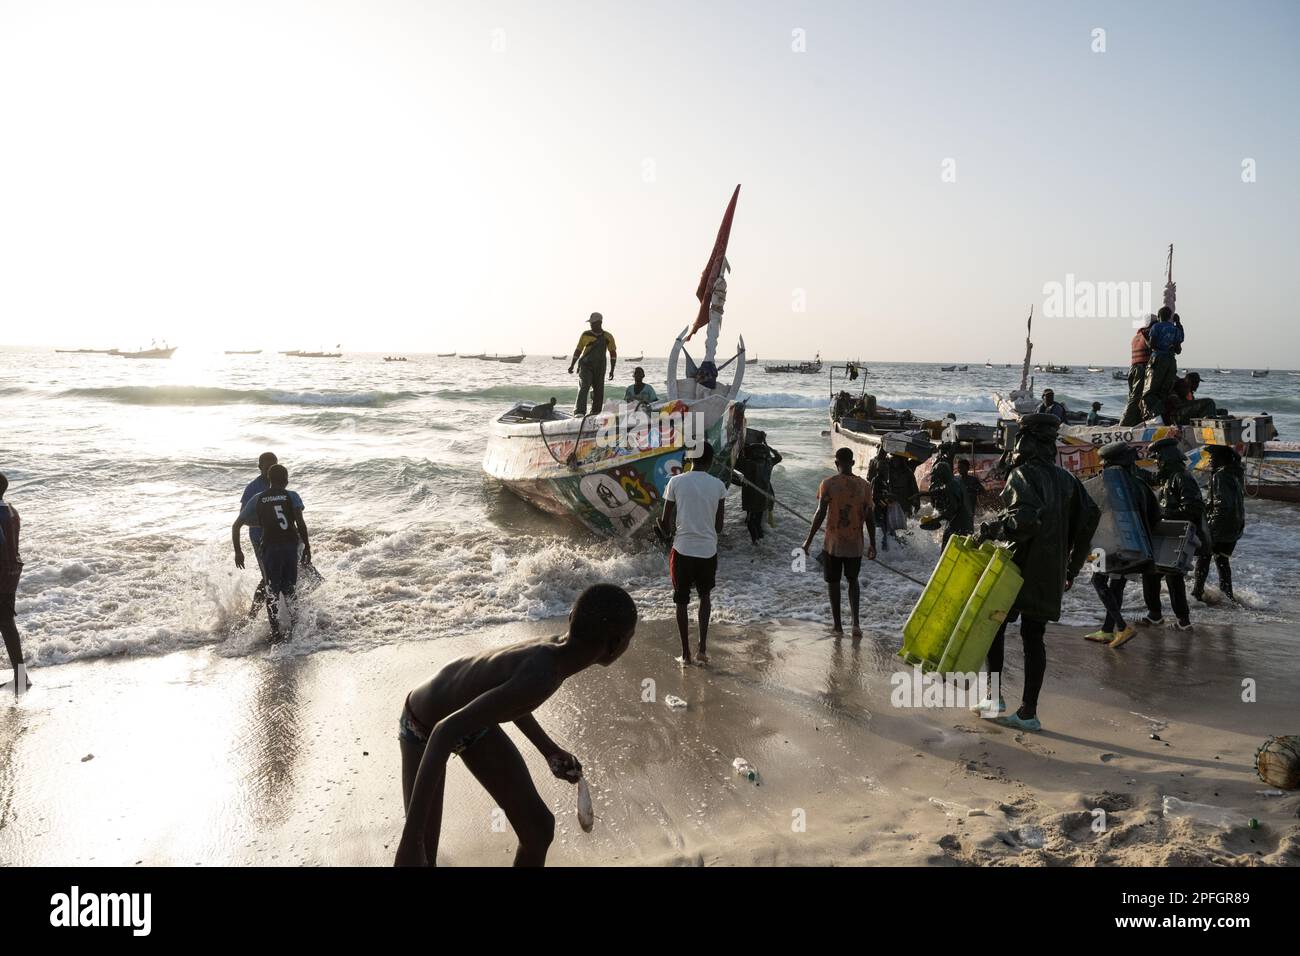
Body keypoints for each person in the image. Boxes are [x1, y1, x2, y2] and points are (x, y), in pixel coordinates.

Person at [395, 583, 636, 867]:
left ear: (572, 616)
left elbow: (508, 699)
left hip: (469, 721)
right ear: (615, 644)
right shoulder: (545, 672)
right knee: (420, 859)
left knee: (537, 828)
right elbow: (443, 732)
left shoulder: (557, 657)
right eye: (630, 638)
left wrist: (549, 750)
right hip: (424, 725)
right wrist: (412, 841)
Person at [975, 413, 1099, 732]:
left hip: (1017, 569)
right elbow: (1090, 517)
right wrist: (1071, 565)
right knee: (1034, 638)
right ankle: (1028, 712)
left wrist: (992, 528)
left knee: (995, 627)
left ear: (1027, 441)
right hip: (1050, 572)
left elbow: (1024, 521)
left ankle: (994, 697)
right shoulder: (1068, 480)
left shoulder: (1022, 474)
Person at [1083, 442, 1161, 648]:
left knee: (1098, 581)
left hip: (1104, 547)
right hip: (1135, 547)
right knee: (1117, 584)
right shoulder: (1141, 485)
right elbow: (1156, 517)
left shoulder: (1103, 485)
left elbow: (1090, 515)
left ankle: (1121, 627)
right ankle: (1107, 631)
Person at [659, 442, 726, 665]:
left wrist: (666, 534)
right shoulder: (718, 486)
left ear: (690, 459)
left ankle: (685, 654)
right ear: (710, 460)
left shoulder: (675, 482)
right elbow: (718, 527)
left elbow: (665, 522)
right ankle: (702, 649)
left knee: (681, 601)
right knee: (704, 597)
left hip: (682, 549)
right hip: (708, 551)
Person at [802, 447, 877, 636]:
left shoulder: (828, 484)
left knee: (833, 583)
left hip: (833, 544)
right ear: (852, 463)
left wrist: (808, 541)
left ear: (836, 464)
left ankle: (837, 626)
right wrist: (873, 544)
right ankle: (856, 625)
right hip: (855, 544)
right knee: (853, 580)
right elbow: (870, 517)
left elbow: (820, 514)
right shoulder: (865, 486)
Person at [233, 464, 311, 641]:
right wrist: (307, 546)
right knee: (290, 588)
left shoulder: (258, 498)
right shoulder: (292, 496)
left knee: (272, 591)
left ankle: (275, 633)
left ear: (269, 480)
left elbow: (236, 525)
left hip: (270, 549)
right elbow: (300, 523)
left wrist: (238, 551)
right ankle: (295, 630)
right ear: (286, 479)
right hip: (290, 547)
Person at [1139, 437, 1203, 631]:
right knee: (1153, 574)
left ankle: (1182, 621)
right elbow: (1152, 479)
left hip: (1178, 535)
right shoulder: (1170, 476)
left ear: (1166, 458)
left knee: (1171, 578)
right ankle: (1157, 615)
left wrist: (1162, 514)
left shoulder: (1182, 478)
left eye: (1158, 459)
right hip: (1168, 533)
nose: (1157, 463)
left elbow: (1193, 508)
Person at [1192, 445, 1246, 603]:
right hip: (1235, 526)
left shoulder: (1220, 476)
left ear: (1221, 459)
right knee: (1222, 560)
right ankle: (1227, 594)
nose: (1209, 460)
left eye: (1212, 457)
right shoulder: (1236, 473)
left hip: (1221, 526)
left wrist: (1211, 531)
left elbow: (1222, 505)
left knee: (1204, 556)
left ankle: (1197, 592)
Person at [0, 472, 29, 693]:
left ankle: (22, 678)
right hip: (11, 574)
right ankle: (21, 677)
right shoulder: (11, 511)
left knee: (7, 625)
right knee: (7, 625)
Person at [240, 452, 278, 615]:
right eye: (267, 466)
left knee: (277, 574)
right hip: (259, 539)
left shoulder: (278, 484)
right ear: (260, 467)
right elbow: (243, 519)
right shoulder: (253, 488)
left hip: (278, 537)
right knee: (268, 577)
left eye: (273, 465)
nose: (270, 469)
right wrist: (265, 523)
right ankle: (254, 614)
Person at [733, 430, 782, 545]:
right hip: (764, 497)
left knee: (750, 522)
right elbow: (779, 457)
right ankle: (761, 540)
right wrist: (766, 444)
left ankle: (756, 544)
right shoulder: (769, 463)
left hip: (752, 499)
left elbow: (735, 462)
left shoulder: (748, 465)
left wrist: (740, 447)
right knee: (757, 522)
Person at [568, 312, 617, 415]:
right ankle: (579, 412)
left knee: (599, 390)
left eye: (593, 323)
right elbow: (578, 350)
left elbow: (613, 353)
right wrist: (572, 364)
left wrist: (612, 370)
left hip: (600, 367)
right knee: (584, 386)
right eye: (590, 323)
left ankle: (595, 412)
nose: (591, 325)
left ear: (600, 323)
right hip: (586, 366)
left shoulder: (608, 336)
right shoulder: (585, 335)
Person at [1141, 307, 1184, 422]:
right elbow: (1178, 350)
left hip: (1158, 359)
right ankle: (1166, 418)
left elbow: (1152, 345)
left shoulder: (1156, 327)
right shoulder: (1176, 330)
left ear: (1159, 317)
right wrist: (1178, 322)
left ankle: (1156, 418)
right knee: (1164, 392)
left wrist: (1146, 338)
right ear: (1170, 317)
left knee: (1149, 393)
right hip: (1171, 362)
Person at [928, 459, 975, 547]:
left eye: (938, 476)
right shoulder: (957, 481)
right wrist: (922, 494)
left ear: (942, 475)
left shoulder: (950, 485)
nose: (938, 479)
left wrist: (936, 520)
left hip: (958, 526)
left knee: (947, 549)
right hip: (967, 524)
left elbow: (953, 507)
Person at [1120, 316, 1154, 426]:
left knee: (1133, 397)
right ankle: (1125, 424)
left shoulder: (1136, 337)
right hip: (1141, 369)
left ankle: (1135, 422)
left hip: (1133, 369)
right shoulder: (1148, 334)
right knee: (1137, 399)